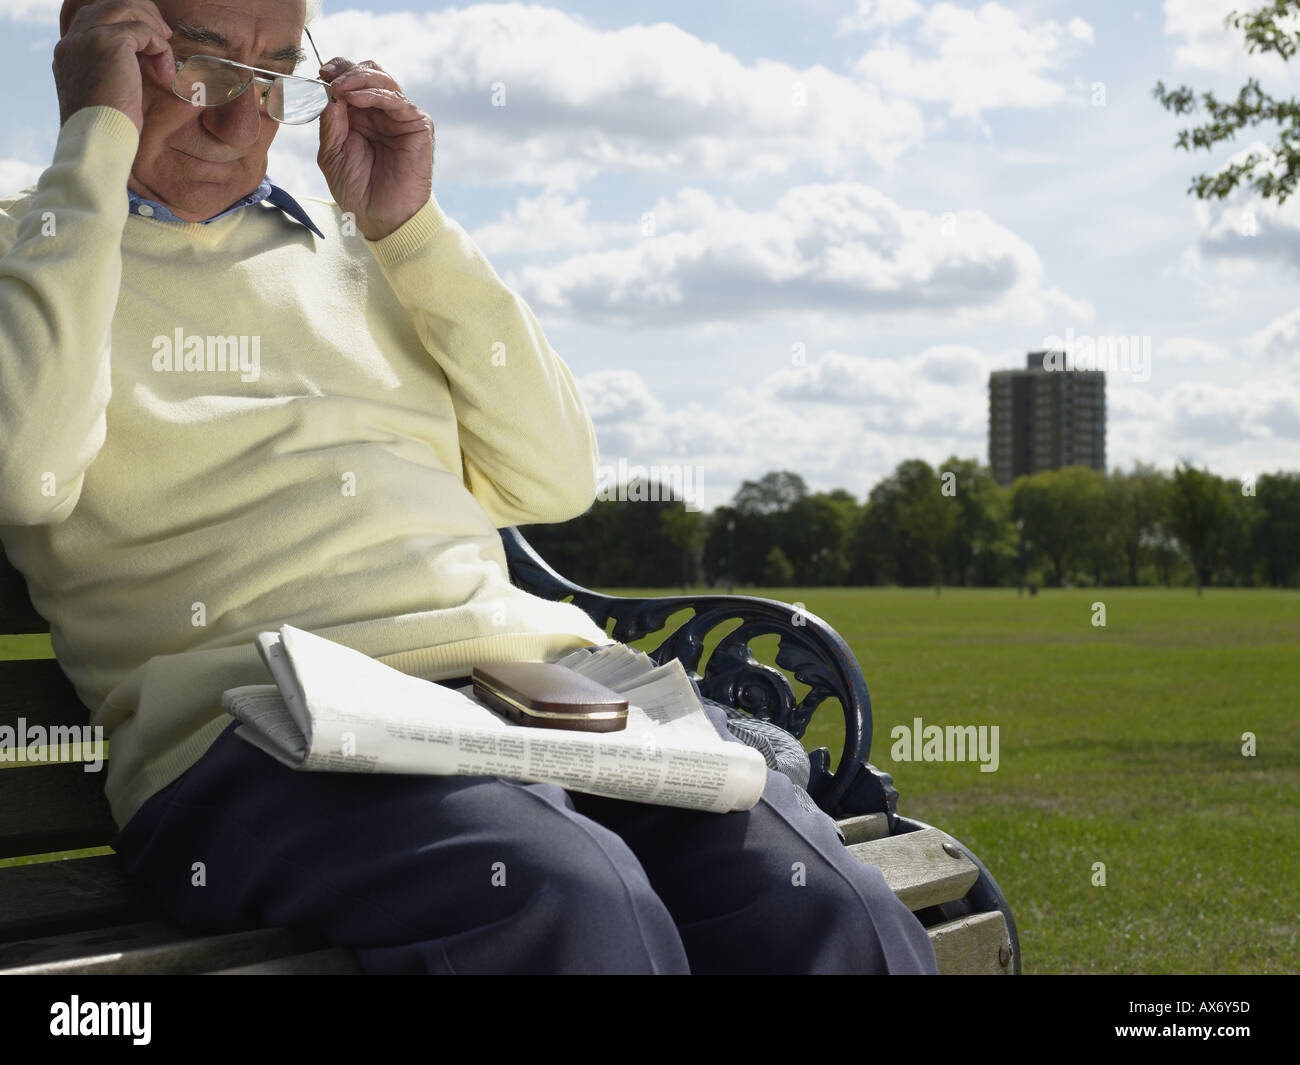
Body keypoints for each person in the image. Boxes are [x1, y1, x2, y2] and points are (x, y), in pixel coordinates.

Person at [0, 0, 937, 974]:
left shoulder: (364, 245)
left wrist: (412, 229)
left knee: (821, 907)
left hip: (537, 693)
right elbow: (27, 473)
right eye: (196, 65)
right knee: (571, 901)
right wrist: (94, 146)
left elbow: (552, 475)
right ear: (94, 48)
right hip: (257, 731)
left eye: (273, 74)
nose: (242, 119)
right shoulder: (33, 253)